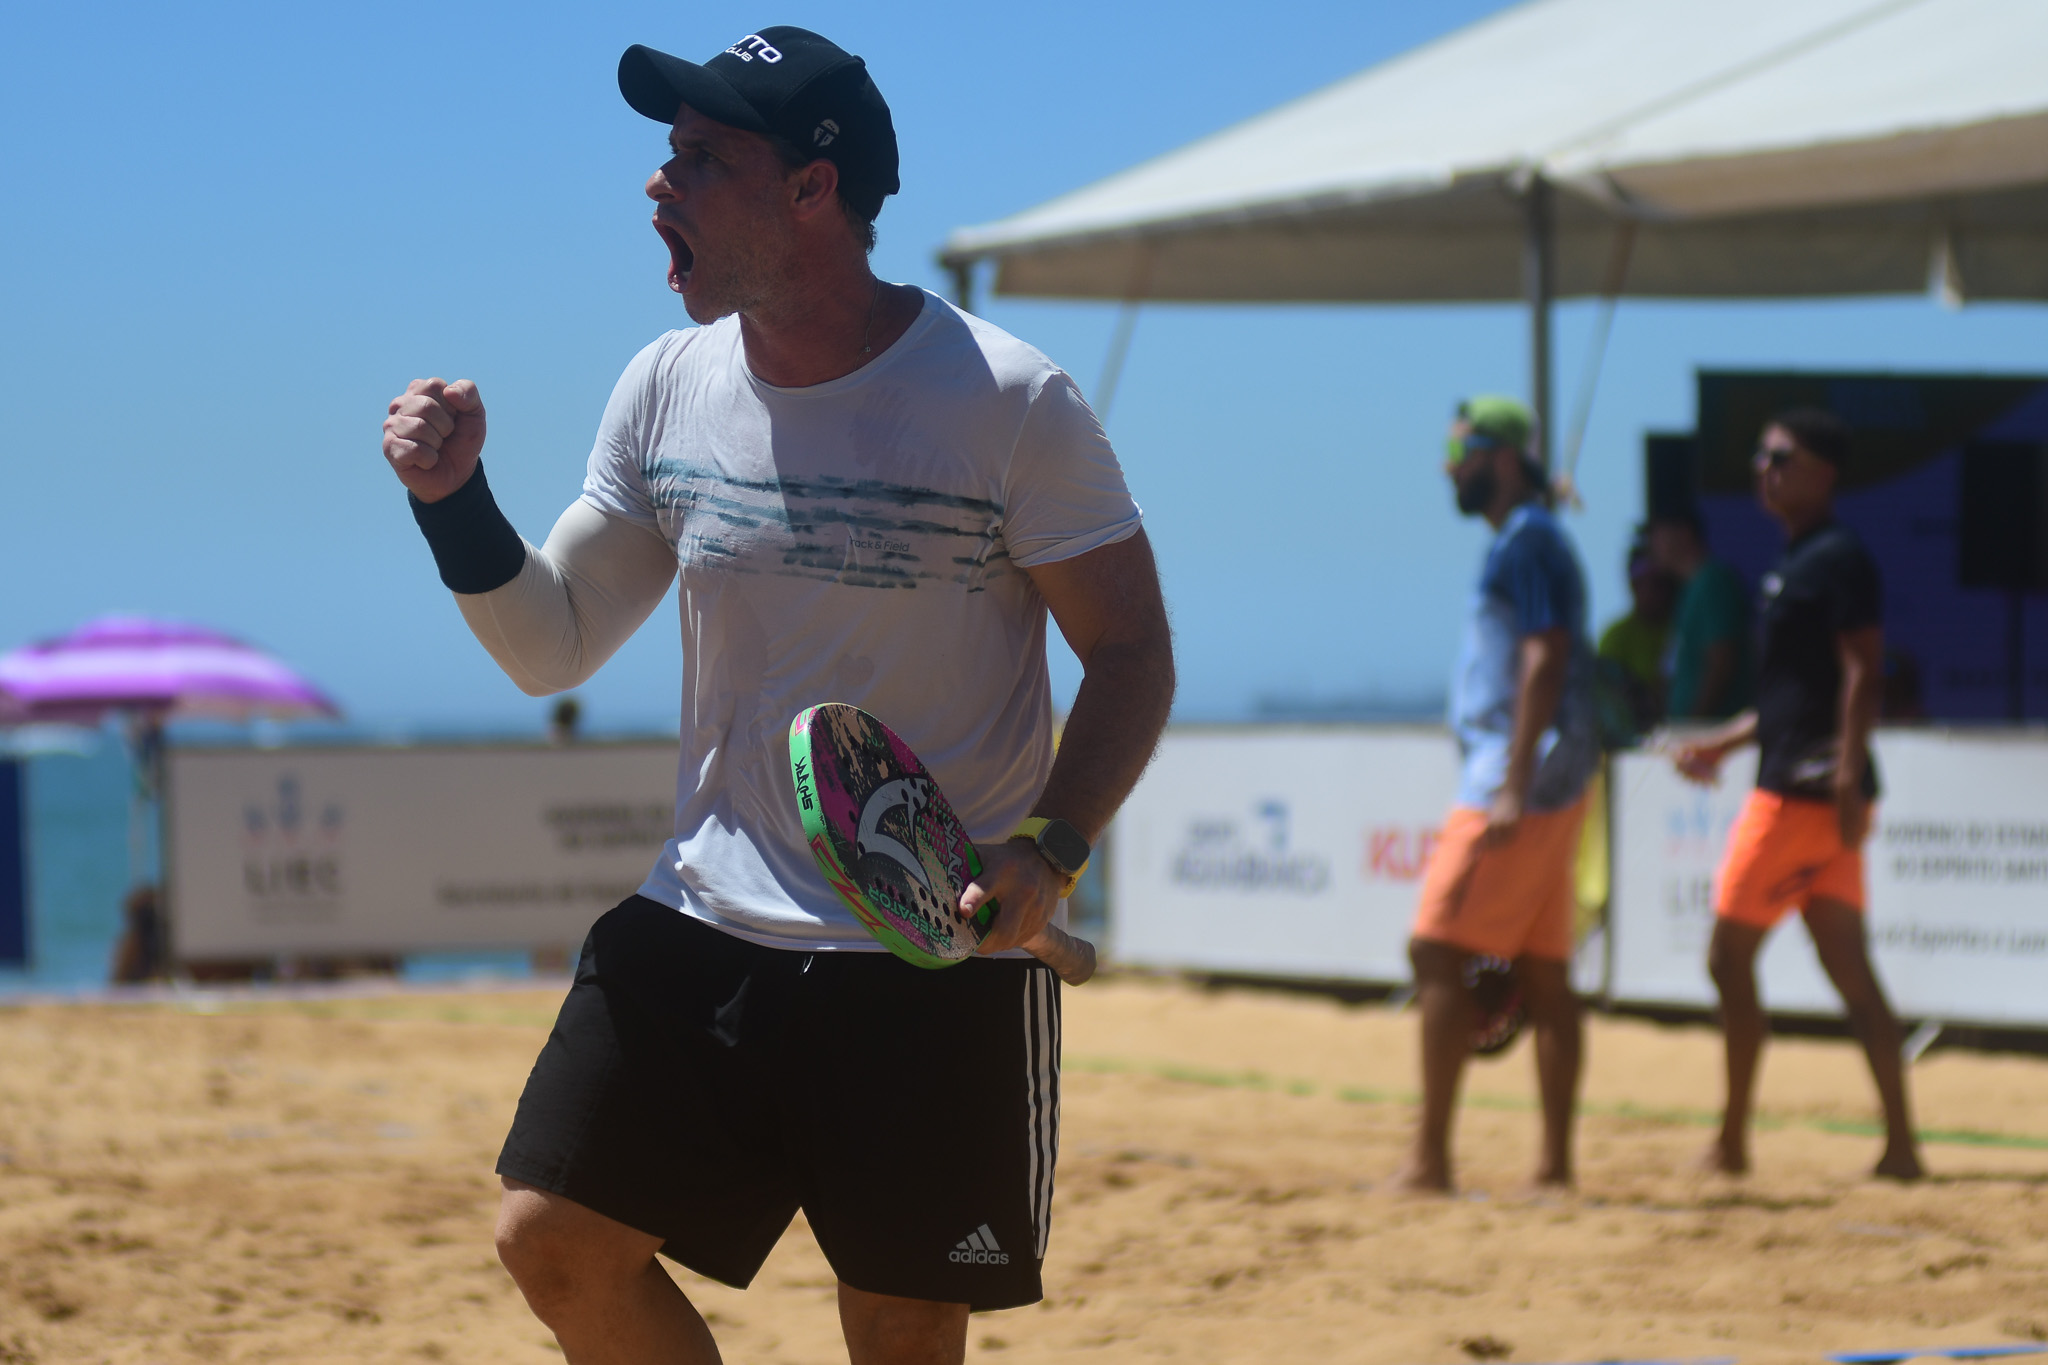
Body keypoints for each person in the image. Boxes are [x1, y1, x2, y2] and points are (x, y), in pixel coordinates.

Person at [379, 27, 1175, 1364]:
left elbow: (1135, 651)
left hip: (934, 950)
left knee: (903, 1333)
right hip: (702, 920)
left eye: (703, 156)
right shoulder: (667, 385)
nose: (658, 182)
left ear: (815, 187)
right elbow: (552, 644)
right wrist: (455, 504)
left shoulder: (1008, 401)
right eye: (665, 151)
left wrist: (1052, 846)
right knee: (553, 1237)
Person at [1668, 409, 1921, 1181]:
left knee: (1727, 955)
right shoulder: (1796, 559)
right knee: (1851, 973)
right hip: (1813, 788)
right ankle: (1901, 1148)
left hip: (1804, 796)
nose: (1764, 468)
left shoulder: (1837, 557)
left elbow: (1863, 672)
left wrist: (1845, 776)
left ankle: (1734, 1141)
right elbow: (1788, 697)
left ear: (1824, 472)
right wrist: (1725, 740)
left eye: (1781, 457)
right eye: (1760, 455)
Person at [1400, 396, 1600, 1194]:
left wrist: (1514, 782)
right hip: (1545, 770)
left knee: (1437, 948)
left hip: (1521, 776)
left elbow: (1546, 658)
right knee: (1545, 969)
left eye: (1463, 450)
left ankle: (1431, 1162)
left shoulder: (1530, 540)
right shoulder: (1529, 539)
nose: (1450, 465)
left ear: (1503, 459)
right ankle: (1553, 1167)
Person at [1647, 507, 1753, 721]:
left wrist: (1696, 722)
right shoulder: (1688, 590)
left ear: (1684, 533)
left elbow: (1721, 658)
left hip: (1716, 736)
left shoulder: (1712, 581)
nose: (1651, 545)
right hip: (1691, 736)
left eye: (1656, 534)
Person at [1595, 536, 1677, 740]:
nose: (1651, 590)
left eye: (1658, 582)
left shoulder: (1679, 626)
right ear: (1632, 584)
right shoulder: (1616, 636)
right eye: (1643, 581)